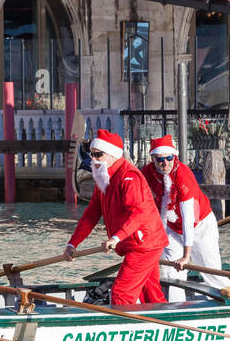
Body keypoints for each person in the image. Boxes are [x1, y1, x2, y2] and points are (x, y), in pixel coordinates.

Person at [64, 130, 168, 305]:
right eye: (92, 154)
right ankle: (165, 324)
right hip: (136, 244)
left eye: (98, 155)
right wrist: (72, 244)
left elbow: (138, 212)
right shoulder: (103, 177)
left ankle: (125, 329)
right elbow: (91, 215)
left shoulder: (129, 176)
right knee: (151, 294)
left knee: (121, 294)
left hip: (144, 244)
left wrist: (116, 238)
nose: (93, 159)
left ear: (112, 155)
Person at [141, 135, 229, 301]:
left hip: (200, 226)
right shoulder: (147, 172)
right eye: (160, 159)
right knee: (170, 273)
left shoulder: (183, 176)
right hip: (172, 227)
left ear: (174, 156)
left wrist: (186, 256)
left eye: (169, 158)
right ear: (152, 158)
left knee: (210, 271)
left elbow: (188, 219)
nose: (165, 163)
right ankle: (177, 308)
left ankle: (227, 302)